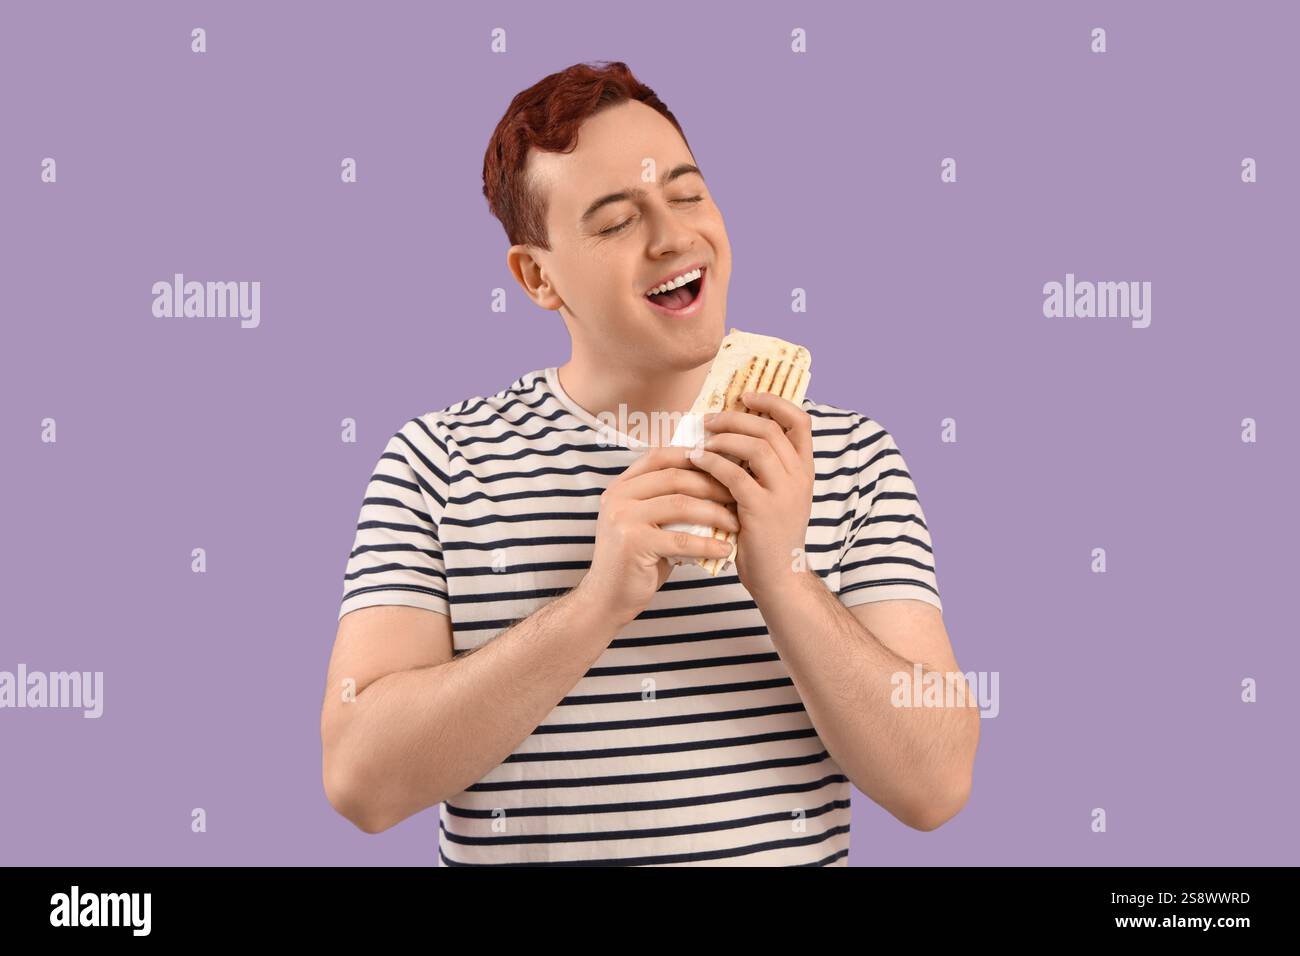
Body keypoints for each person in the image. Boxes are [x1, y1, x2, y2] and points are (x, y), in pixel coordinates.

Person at [321, 61, 978, 866]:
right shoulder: (439, 462)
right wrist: (598, 603)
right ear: (537, 276)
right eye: (614, 220)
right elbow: (361, 780)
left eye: (687, 192)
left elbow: (936, 784)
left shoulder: (849, 456)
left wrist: (784, 576)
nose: (673, 236)